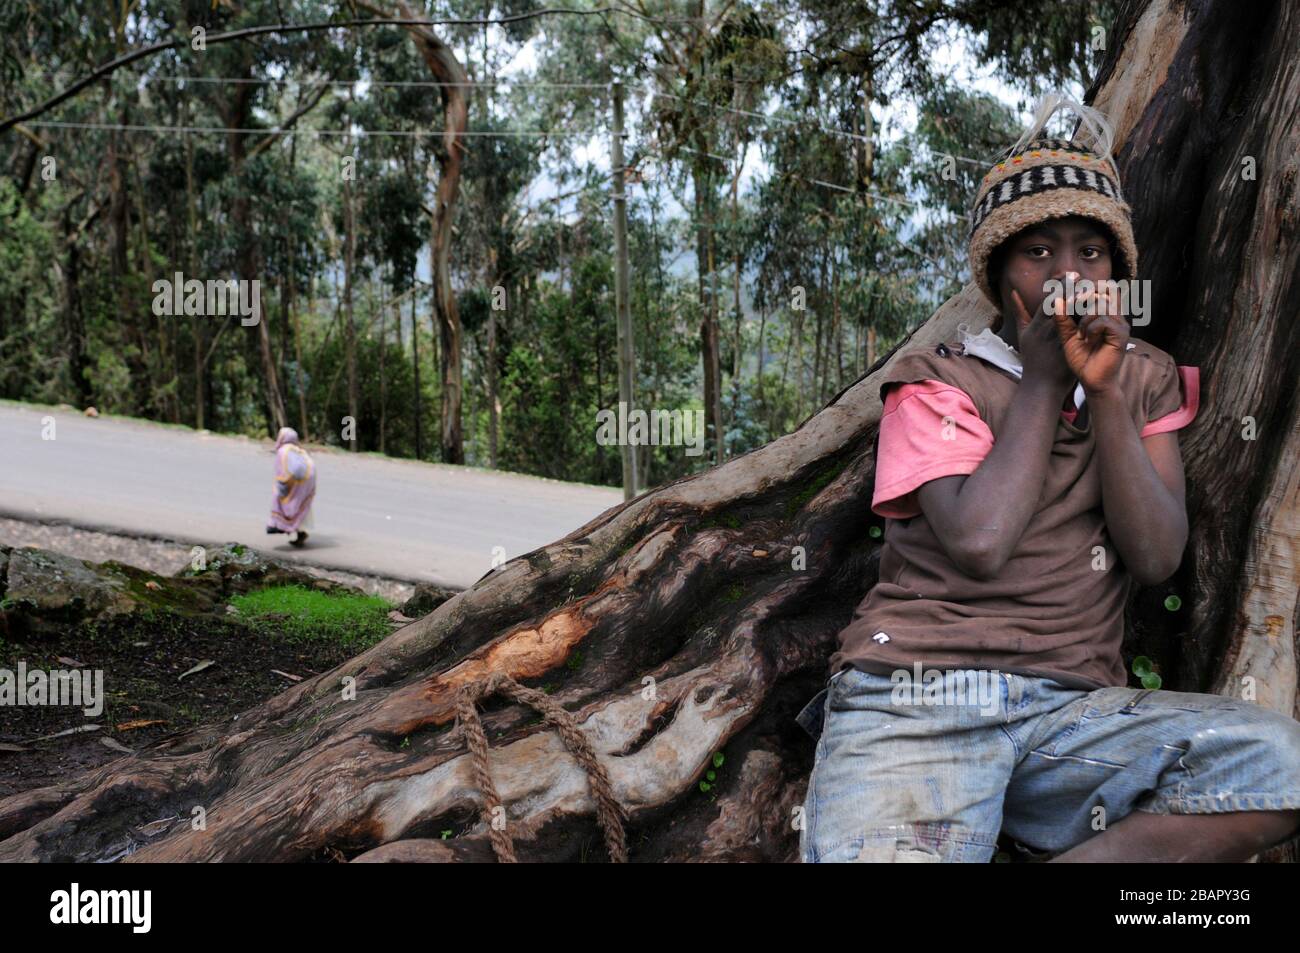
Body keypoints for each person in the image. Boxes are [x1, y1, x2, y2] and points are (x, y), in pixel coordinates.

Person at [797, 94, 1300, 862]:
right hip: (918, 700)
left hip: (1073, 715)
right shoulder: (937, 382)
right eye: (1038, 253)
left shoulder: (1142, 381)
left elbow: (1158, 553)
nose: (1068, 275)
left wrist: (1101, 392)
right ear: (1000, 277)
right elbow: (980, 541)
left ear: (1116, 270)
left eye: (1090, 253)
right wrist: (1039, 382)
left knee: (1282, 768)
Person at [265, 426, 315, 547]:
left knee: (285, 502)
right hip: (309, 479)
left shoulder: (283, 451)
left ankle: (279, 526)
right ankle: (299, 532)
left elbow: (283, 472)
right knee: (299, 505)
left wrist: (282, 486)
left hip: (296, 480)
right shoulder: (298, 450)